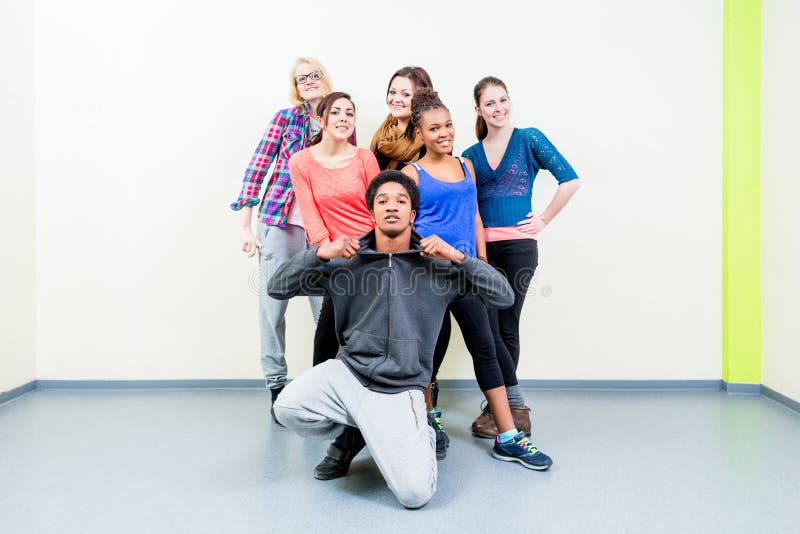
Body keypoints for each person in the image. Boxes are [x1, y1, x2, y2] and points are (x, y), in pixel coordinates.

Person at [269, 171, 549, 509]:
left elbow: (503, 296)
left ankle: (419, 430)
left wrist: (459, 257)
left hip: (401, 389)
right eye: (382, 201)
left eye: (400, 201)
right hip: (349, 375)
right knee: (287, 406)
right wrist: (318, 254)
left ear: (412, 215)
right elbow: (277, 287)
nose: (391, 207)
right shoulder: (347, 261)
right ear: (371, 212)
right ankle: (360, 427)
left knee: (415, 495)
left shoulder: (439, 267)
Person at [401, 89, 548, 464]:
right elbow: (406, 229)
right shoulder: (410, 174)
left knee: (486, 347)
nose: (444, 133)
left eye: (448, 125)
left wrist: (481, 263)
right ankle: (428, 422)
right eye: (434, 128)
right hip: (429, 279)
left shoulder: (465, 166)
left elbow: (476, 216)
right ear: (419, 135)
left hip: (466, 275)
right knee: (430, 353)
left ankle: (509, 436)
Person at [462, 76, 581, 436]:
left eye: (503, 101)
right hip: (483, 249)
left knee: (506, 323)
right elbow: (468, 208)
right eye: (490, 104)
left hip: (518, 248)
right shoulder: (470, 155)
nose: (498, 109)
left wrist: (542, 219)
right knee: (489, 327)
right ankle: (505, 404)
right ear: (479, 109)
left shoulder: (529, 139)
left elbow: (570, 179)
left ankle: (512, 406)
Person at [230, 57, 339, 423]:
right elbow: (257, 166)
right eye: (301, 78)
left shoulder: (339, 119)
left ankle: (325, 389)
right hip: (279, 223)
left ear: (324, 79)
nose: (308, 81)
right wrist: (246, 226)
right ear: (296, 85)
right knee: (271, 307)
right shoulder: (285, 119)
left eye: (314, 75)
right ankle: (276, 386)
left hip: (319, 231)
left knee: (326, 311)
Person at [369, 66, 434, 171]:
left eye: (405, 94)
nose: (396, 99)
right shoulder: (383, 133)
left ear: (422, 98)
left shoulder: (429, 139)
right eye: (393, 92)